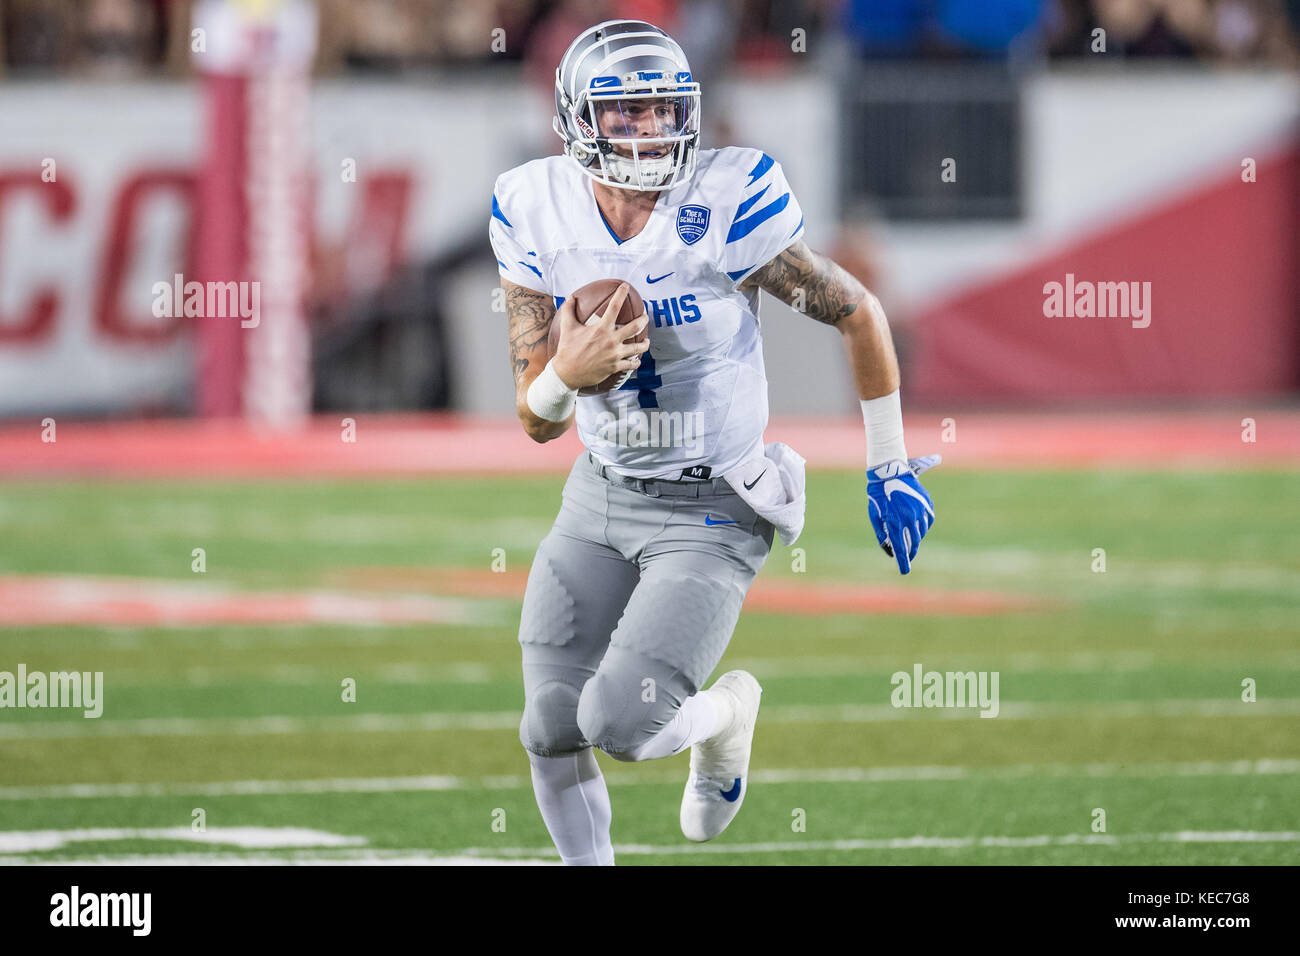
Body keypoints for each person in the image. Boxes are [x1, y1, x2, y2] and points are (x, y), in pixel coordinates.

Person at [489, 19, 938, 866]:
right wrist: (567, 372)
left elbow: (859, 312)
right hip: (602, 490)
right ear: (577, 120)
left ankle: (725, 716)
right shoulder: (531, 202)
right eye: (626, 114)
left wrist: (890, 462)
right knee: (551, 723)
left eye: (663, 109)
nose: (650, 129)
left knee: (620, 722)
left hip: (714, 502)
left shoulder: (726, 199)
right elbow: (534, 420)